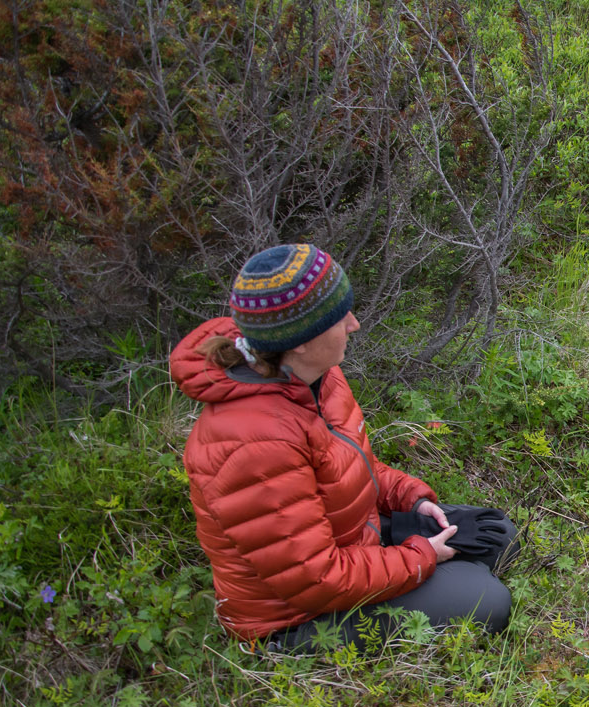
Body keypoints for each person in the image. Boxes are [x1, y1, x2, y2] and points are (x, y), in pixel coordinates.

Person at [170, 243, 513, 651]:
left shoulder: (317, 376)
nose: (354, 324)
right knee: (487, 601)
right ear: (299, 339)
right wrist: (422, 556)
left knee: (498, 534)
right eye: (339, 317)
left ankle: (443, 570)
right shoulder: (253, 442)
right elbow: (316, 579)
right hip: (299, 614)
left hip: (351, 540)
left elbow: (350, 466)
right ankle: (292, 649)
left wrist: (410, 499)